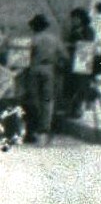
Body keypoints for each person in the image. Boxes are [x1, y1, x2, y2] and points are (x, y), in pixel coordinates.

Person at [24, 13, 66, 144]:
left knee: (33, 99)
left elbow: (25, 57)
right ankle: (45, 128)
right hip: (49, 69)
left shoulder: (33, 40)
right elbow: (64, 55)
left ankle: (33, 127)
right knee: (47, 99)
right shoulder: (54, 39)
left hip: (35, 68)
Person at [65, 7, 96, 120]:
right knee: (73, 85)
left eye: (75, 18)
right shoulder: (75, 29)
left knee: (80, 85)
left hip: (83, 60)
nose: (73, 20)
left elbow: (87, 45)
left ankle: (78, 109)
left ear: (80, 18)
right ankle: (73, 109)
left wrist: (72, 45)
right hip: (75, 60)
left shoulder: (88, 30)